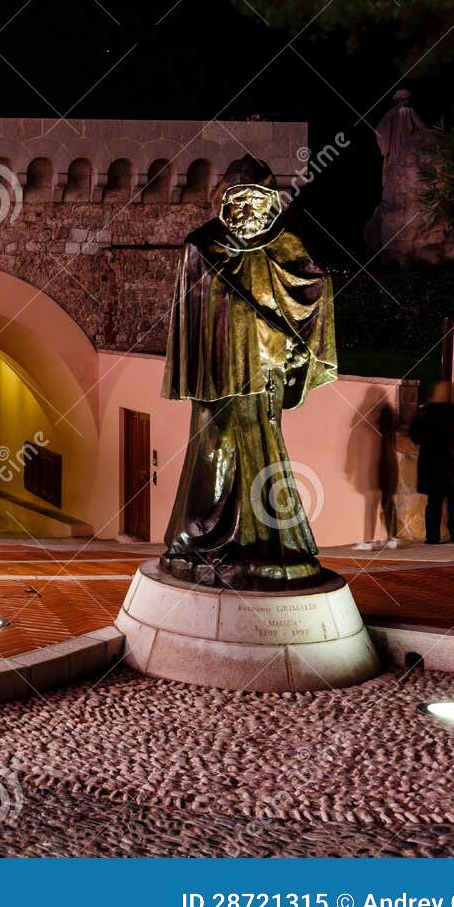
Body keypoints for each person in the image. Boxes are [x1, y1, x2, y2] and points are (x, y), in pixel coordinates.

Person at [160, 156, 337, 589]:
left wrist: (300, 336)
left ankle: (271, 542)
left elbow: (313, 284)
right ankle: (201, 536)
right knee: (213, 447)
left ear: (270, 200)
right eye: (241, 197)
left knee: (263, 443)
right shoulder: (202, 245)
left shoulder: (285, 244)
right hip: (218, 371)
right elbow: (191, 315)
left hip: (265, 369)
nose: (249, 206)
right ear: (227, 199)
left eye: (257, 197)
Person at [409, 381, 454, 544]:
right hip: (452, 463)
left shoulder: (425, 413)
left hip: (431, 464)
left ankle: (432, 537)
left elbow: (415, 436)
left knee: (434, 502)